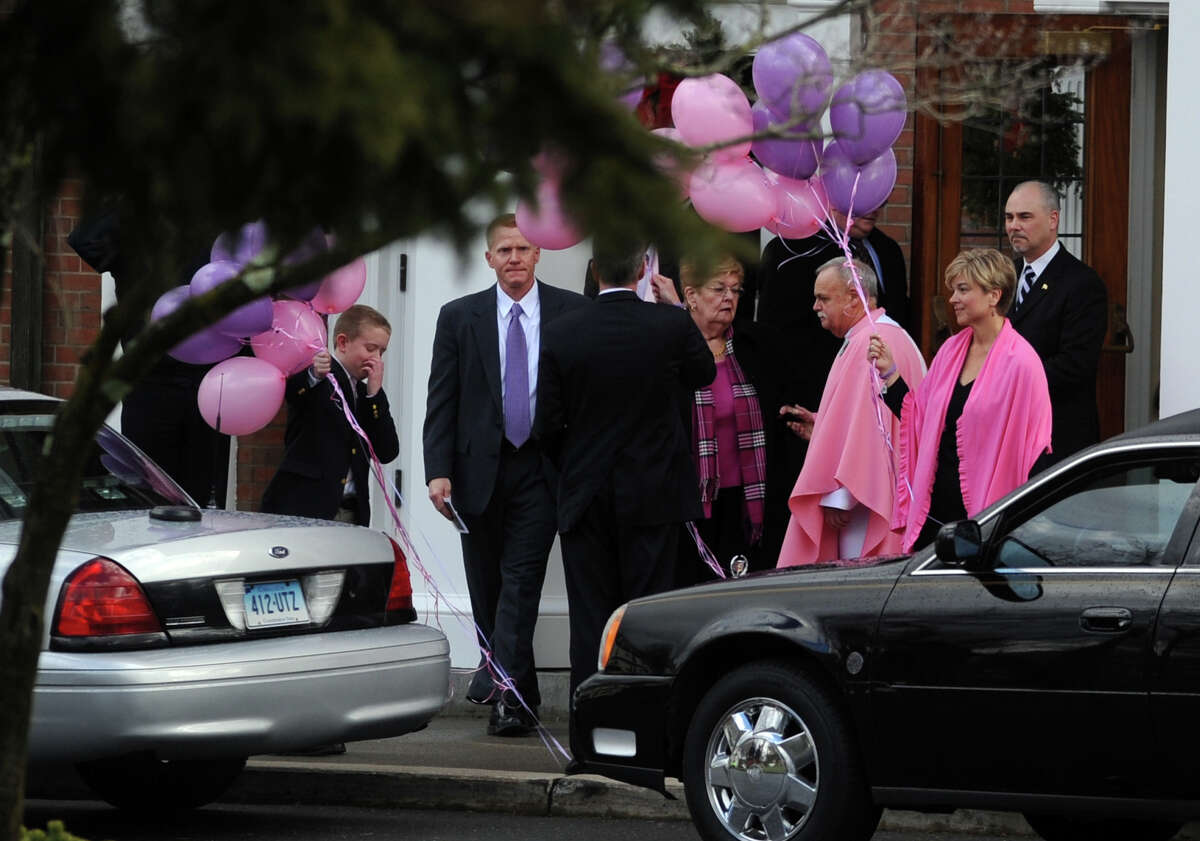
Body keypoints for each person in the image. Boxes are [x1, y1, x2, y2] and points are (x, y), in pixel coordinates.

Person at [423, 214, 588, 737]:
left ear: (538, 254)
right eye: (504, 250)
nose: (514, 258)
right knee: (487, 585)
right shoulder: (458, 317)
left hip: (541, 467)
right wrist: (437, 471)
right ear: (489, 258)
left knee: (521, 581)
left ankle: (495, 685)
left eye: (523, 248)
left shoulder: (571, 311)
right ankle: (521, 695)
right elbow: (442, 398)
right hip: (476, 472)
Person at [537, 237, 715, 698]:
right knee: (648, 618)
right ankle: (646, 728)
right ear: (642, 272)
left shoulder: (562, 330)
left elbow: (547, 426)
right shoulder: (668, 326)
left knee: (590, 621)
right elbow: (704, 373)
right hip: (653, 494)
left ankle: (589, 727)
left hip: (585, 498)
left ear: (595, 271)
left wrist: (572, 470)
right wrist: (677, 308)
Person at [868, 248, 1051, 552]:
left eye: (963, 289)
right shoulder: (951, 350)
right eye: (954, 289)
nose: (952, 298)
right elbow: (919, 419)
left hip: (987, 523)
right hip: (935, 517)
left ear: (994, 295)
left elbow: (1034, 453)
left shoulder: (1022, 362)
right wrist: (890, 373)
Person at [651, 255, 809, 579]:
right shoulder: (668, 352)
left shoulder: (757, 348)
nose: (729, 297)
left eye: (736, 290)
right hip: (690, 503)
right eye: (719, 288)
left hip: (748, 501)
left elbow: (780, 419)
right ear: (691, 296)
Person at [68, 210, 232, 508]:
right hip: (150, 380)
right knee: (147, 498)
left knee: (202, 503)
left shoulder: (216, 223)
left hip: (211, 379)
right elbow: (84, 242)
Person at [777, 257, 926, 566]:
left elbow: (875, 429)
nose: (816, 306)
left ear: (854, 296)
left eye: (824, 298)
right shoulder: (870, 335)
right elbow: (860, 416)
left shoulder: (873, 340)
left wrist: (839, 496)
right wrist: (821, 425)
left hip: (865, 504)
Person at [261, 304, 399, 527]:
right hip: (306, 508)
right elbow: (294, 393)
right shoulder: (319, 378)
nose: (376, 359)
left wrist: (375, 397)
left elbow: (387, 451)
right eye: (371, 348)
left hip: (351, 511)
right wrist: (313, 374)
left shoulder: (367, 395)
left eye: (381, 352)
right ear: (343, 342)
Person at [1004, 180, 1108, 465]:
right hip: (1009, 437)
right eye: (1009, 217)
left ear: (1053, 219)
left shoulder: (1082, 283)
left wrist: (1006, 379)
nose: (1014, 225)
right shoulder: (1005, 278)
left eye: (1025, 217)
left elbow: (1076, 365)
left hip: (1057, 440)